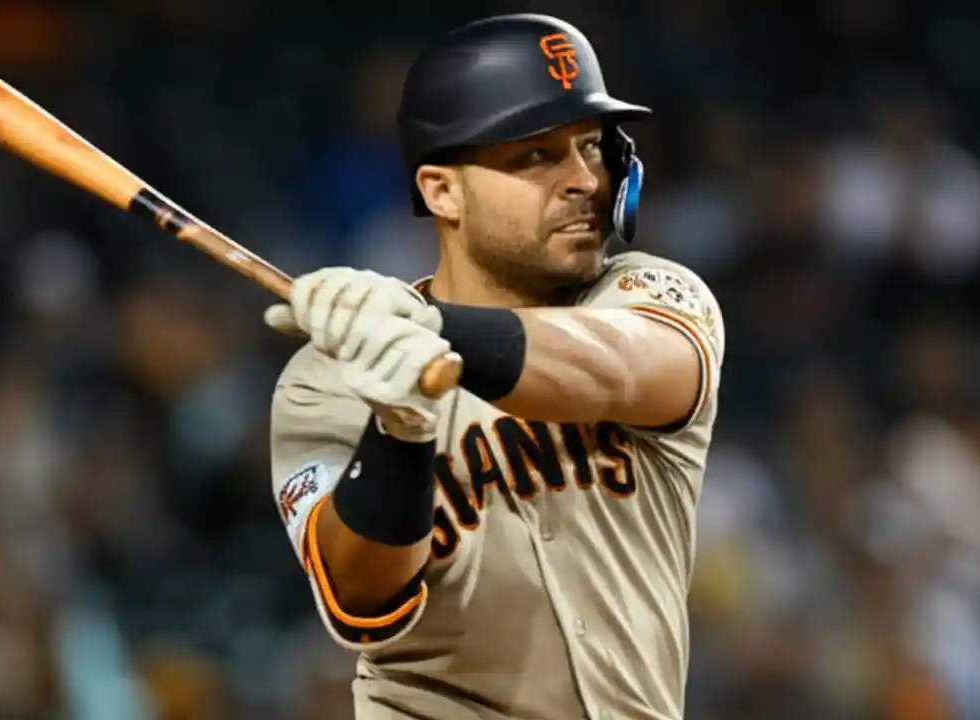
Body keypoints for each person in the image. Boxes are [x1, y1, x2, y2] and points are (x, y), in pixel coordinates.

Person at [265, 13, 725, 720]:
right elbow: (360, 595)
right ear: (442, 191)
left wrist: (430, 332)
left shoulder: (649, 294)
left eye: (592, 148)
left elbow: (619, 369)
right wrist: (400, 424)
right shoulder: (323, 381)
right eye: (537, 156)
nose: (585, 180)